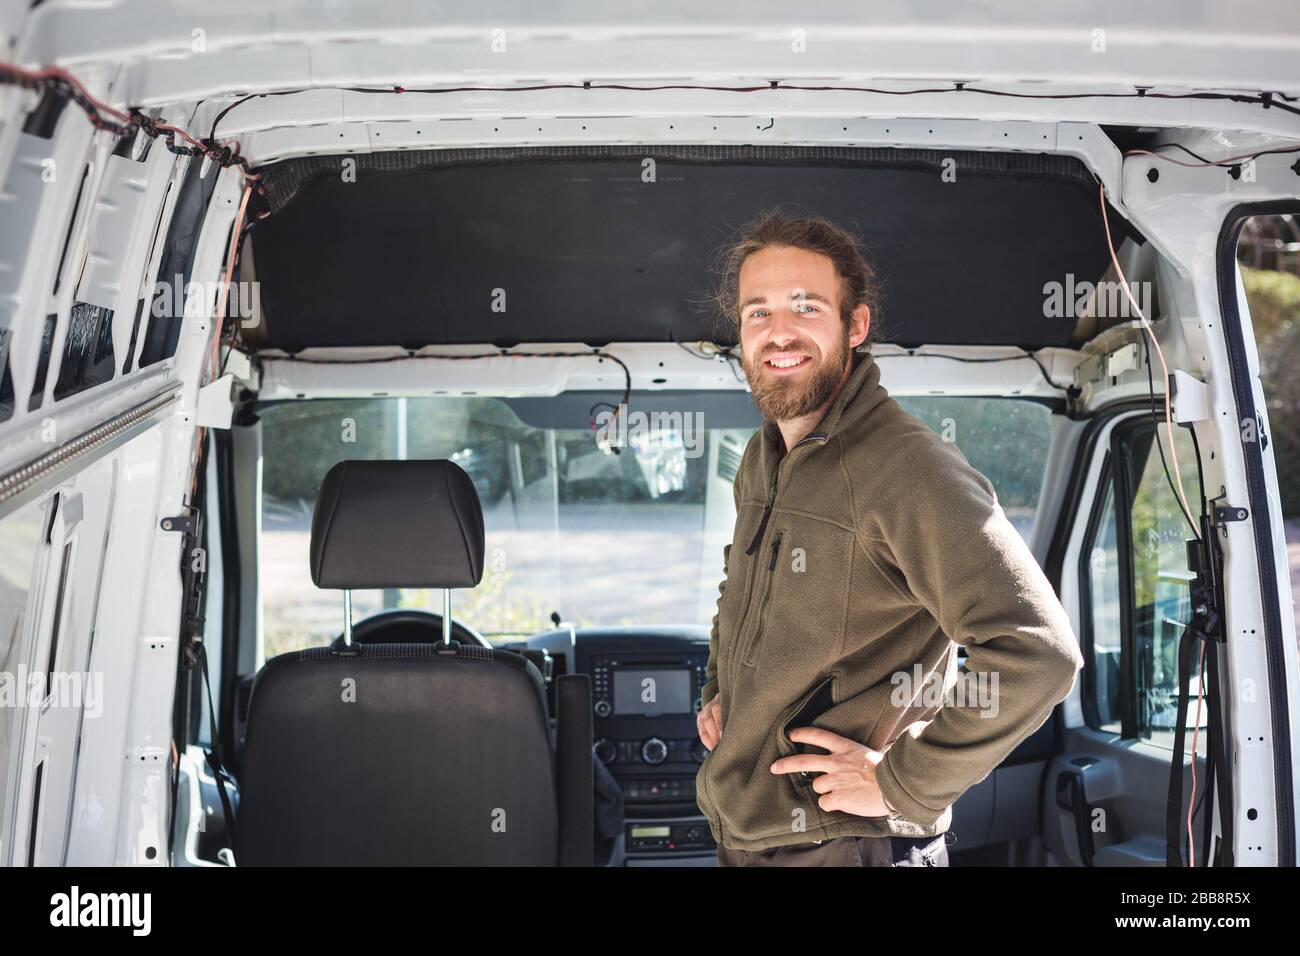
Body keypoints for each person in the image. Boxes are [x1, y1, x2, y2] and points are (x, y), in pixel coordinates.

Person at [695, 209, 1085, 867]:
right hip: (751, 836)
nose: (777, 332)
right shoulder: (763, 460)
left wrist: (900, 782)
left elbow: (1037, 654)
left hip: (849, 845)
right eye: (756, 312)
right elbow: (744, 591)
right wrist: (723, 687)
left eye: (805, 308)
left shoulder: (908, 467)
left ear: (856, 325)